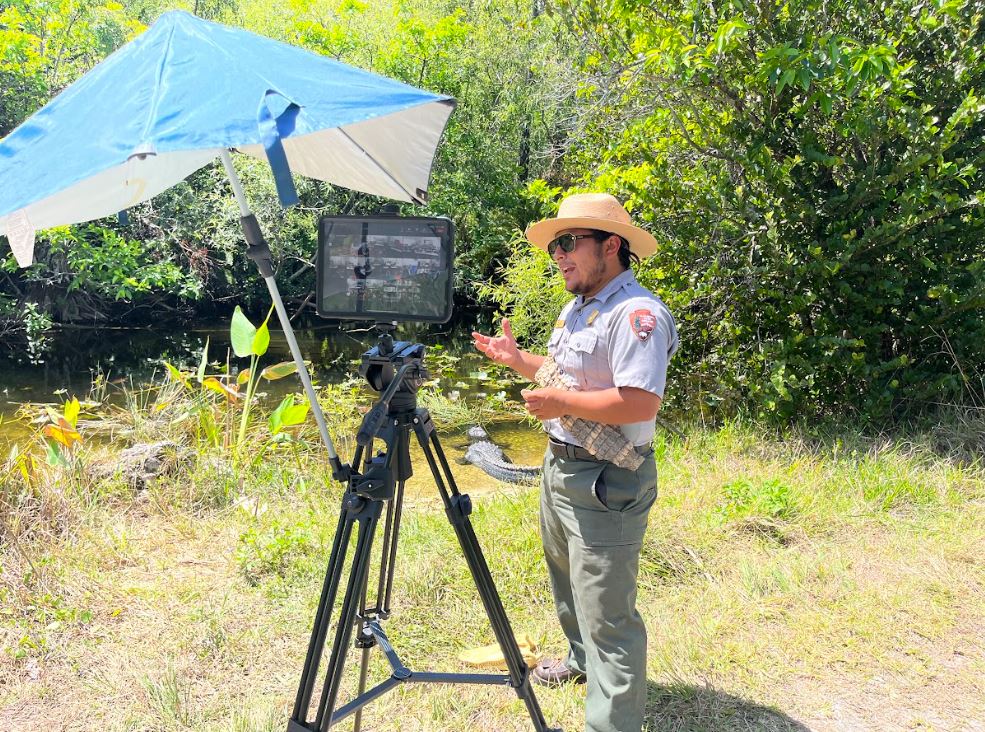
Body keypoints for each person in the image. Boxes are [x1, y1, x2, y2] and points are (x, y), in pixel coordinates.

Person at [472, 192, 678, 732]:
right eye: (555, 245)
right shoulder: (581, 306)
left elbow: (639, 401)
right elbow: (566, 377)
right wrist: (520, 361)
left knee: (609, 615)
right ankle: (579, 659)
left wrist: (560, 404)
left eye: (569, 243)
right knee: (566, 583)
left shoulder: (637, 315)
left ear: (611, 246)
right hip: (560, 469)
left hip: (609, 479)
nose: (558, 254)